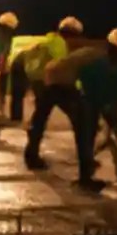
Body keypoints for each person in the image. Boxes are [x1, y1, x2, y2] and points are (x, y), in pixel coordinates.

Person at [26, 17, 101, 184]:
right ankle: (86, 168)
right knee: (82, 122)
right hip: (55, 82)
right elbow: (63, 66)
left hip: (38, 81)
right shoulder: (60, 44)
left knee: (39, 120)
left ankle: (31, 156)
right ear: (73, 34)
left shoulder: (44, 40)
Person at [79, 28, 117, 181]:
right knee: (89, 131)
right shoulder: (96, 62)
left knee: (114, 131)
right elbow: (87, 84)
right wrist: (102, 104)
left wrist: (112, 107)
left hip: (113, 100)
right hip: (91, 100)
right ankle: (86, 169)